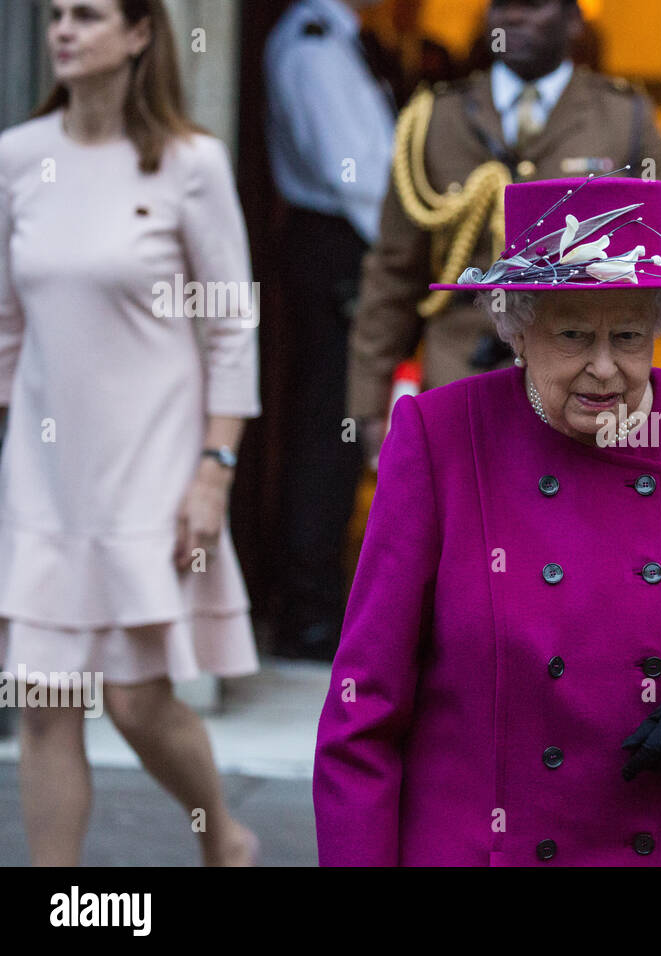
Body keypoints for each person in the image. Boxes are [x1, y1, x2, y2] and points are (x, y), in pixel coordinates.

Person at [313, 175, 661, 865]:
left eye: (630, 336)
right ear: (517, 331)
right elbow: (363, 703)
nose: (604, 368)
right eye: (574, 334)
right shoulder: (441, 436)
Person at [0, 0, 260, 865]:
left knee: (138, 699)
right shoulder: (17, 158)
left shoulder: (192, 163)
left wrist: (215, 469)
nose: (63, 31)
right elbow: (5, 327)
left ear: (142, 33)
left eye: (88, 14)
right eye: (55, 16)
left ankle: (222, 840)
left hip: (155, 466)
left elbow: (231, 326)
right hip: (43, 473)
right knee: (44, 701)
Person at [348, 0, 661, 473]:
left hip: (583, 391)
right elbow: (393, 273)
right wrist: (369, 403)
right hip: (457, 380)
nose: (515, 17)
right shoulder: (435, 118)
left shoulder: (622, 118)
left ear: (572, 20)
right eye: (502, 4)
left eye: (534, 5)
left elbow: (660, 263)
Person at [264, 0, 395, 661]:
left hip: (347, 242)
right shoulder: (313, 44)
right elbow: (360, 175)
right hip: (338, 245)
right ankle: (308, 611)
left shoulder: (343, 40)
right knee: (331, 427)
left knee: (341, 425)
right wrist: (408, 252)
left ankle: (316, 597)